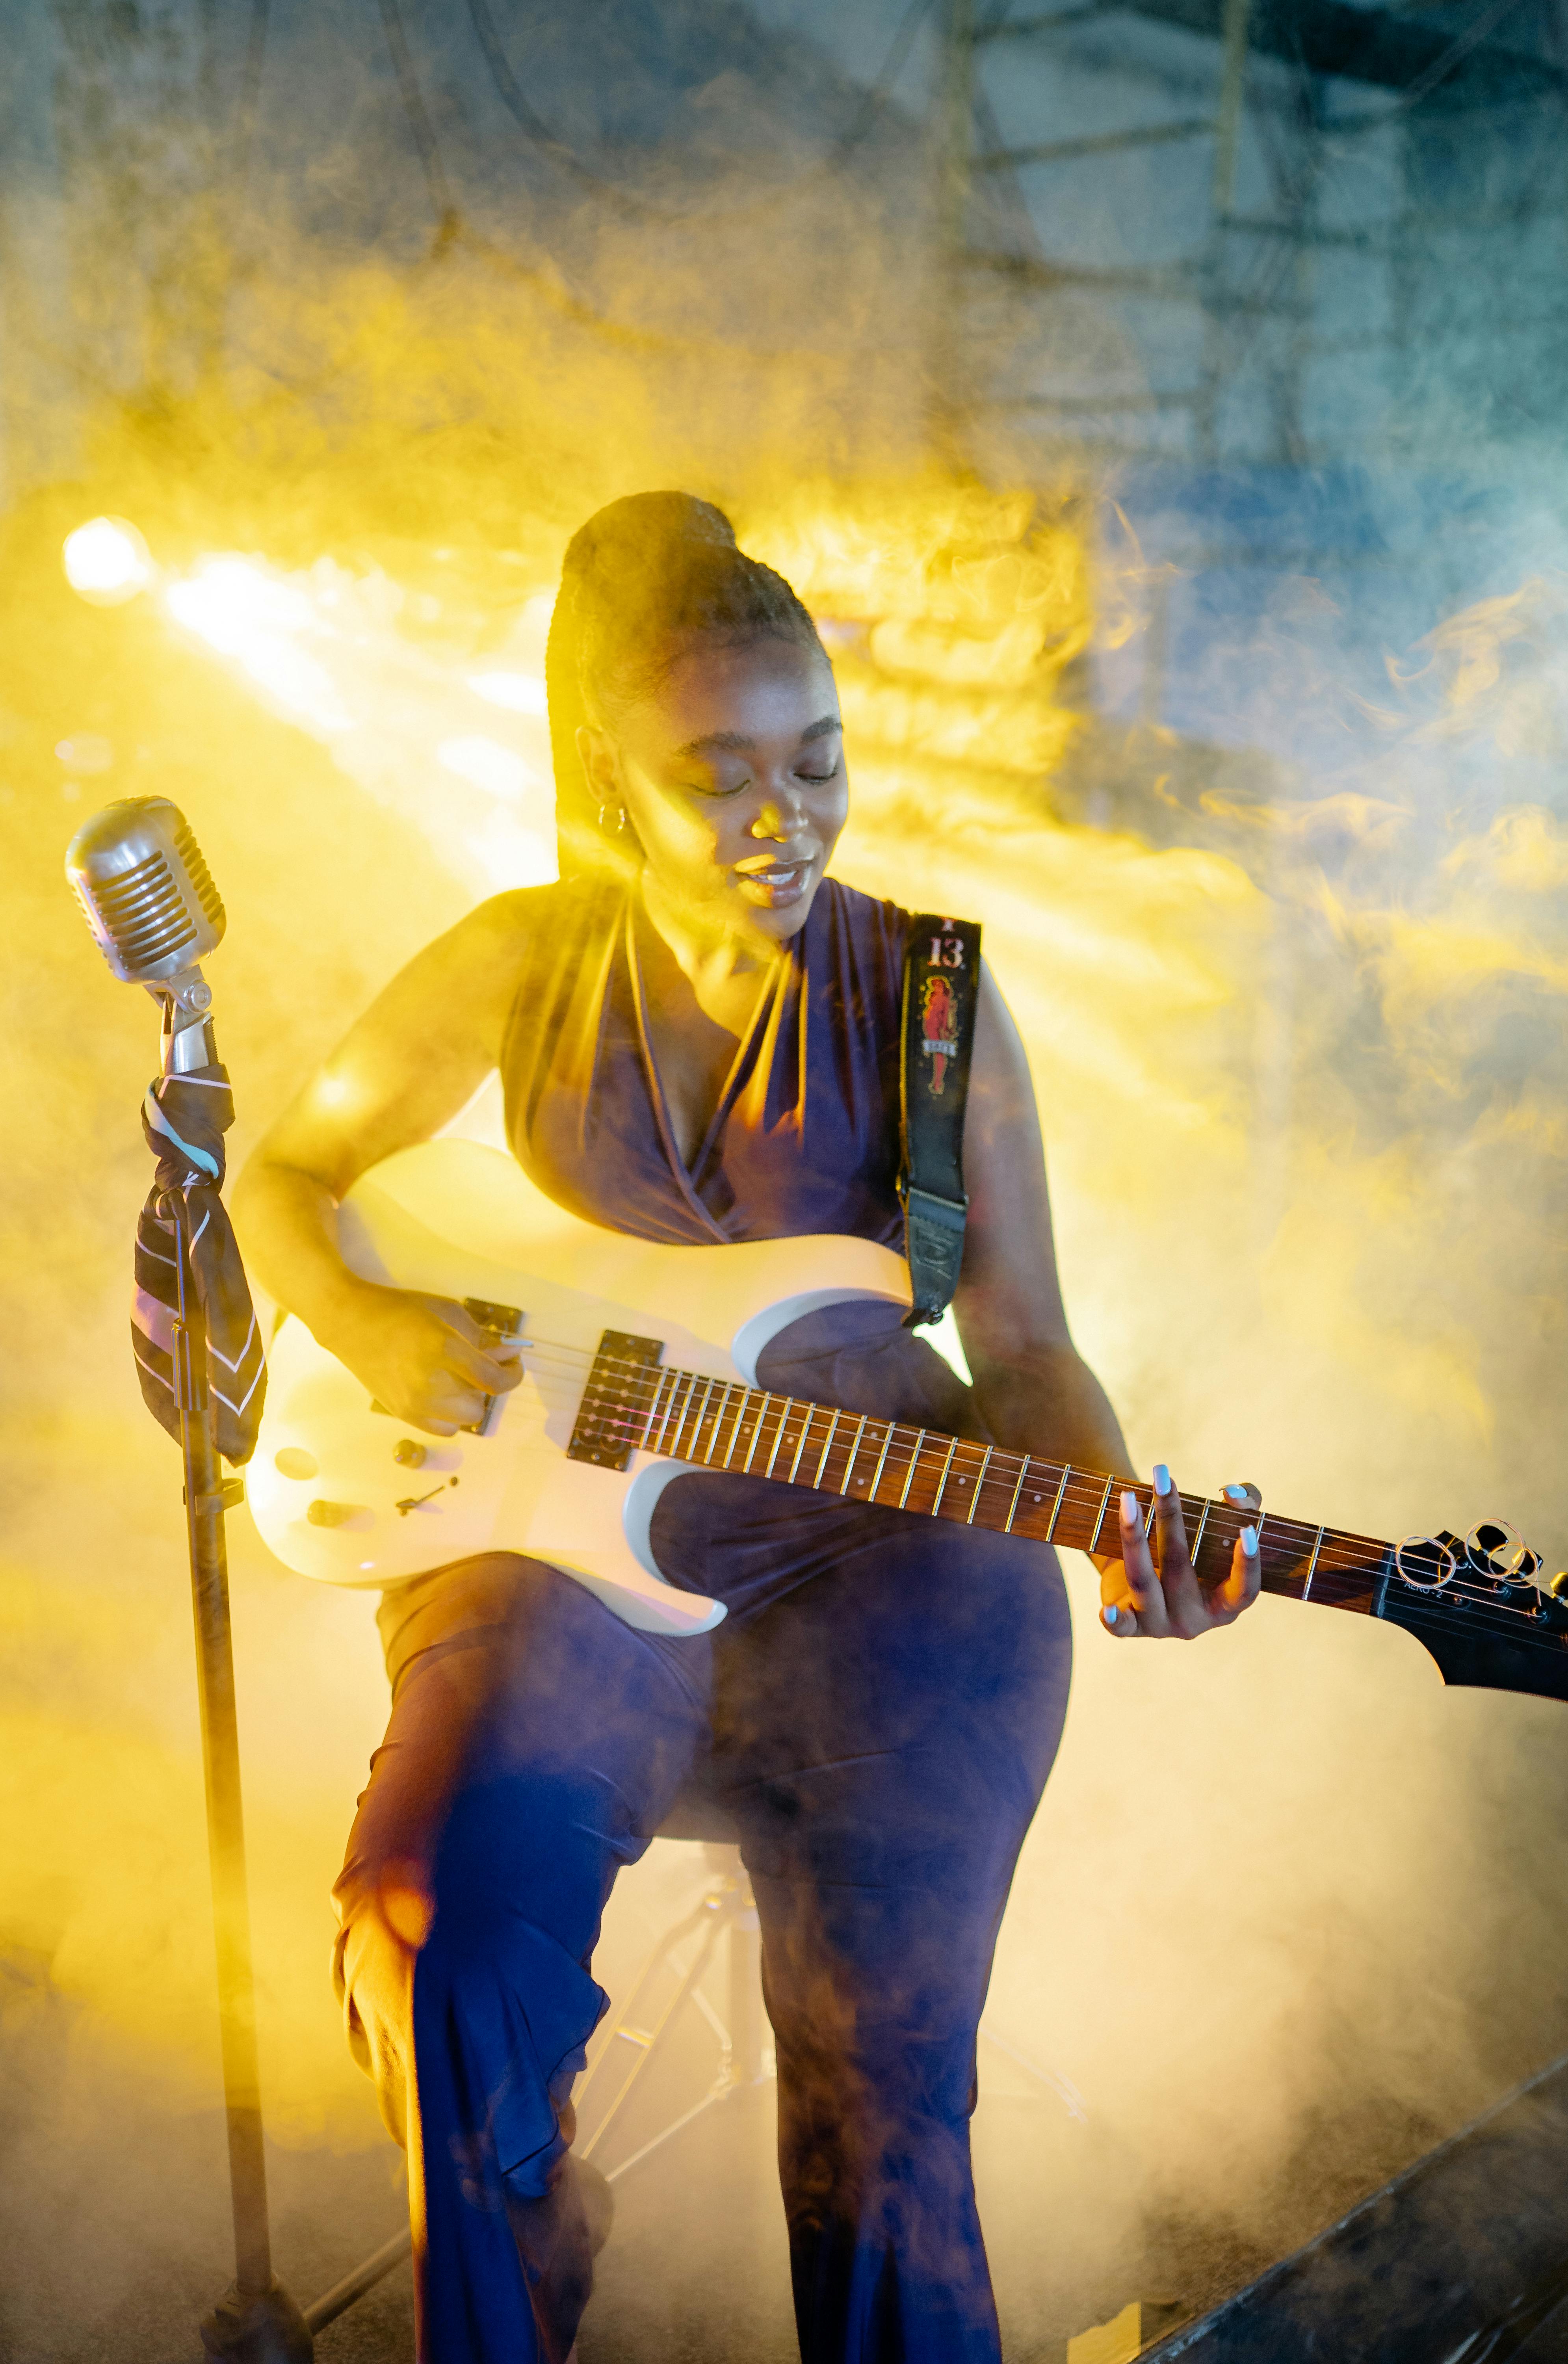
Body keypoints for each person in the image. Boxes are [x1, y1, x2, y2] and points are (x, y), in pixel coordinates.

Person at [234, 492, 1262, 2364]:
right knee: (431, 1935)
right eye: (716, 775)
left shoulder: (938, 1003)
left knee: (887, 2092)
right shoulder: (516, 957)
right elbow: (285, 1173)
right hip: (564, 1544)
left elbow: (1023, 1339)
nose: (780, 818)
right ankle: (522, 2258)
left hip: (884, 1556)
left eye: (817, 760)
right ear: (612, 785)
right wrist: (371, 1318)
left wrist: (1116, 1513)